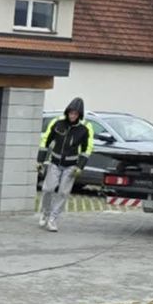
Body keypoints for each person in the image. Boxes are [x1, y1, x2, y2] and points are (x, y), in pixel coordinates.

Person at [39, 97, 92, 231]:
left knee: (63, 193)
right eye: (71, 113)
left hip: (71, 166)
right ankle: (45, 213)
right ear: (67, 112)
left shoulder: (84, 129)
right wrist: (40, 160)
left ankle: (53, 219)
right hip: (55, 162)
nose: (73, 116)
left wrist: (80, 166)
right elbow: (46, 140)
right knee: (48, 189)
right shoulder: (57, 124)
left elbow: (87, 148)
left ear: (79, 115)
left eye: (75, 114)